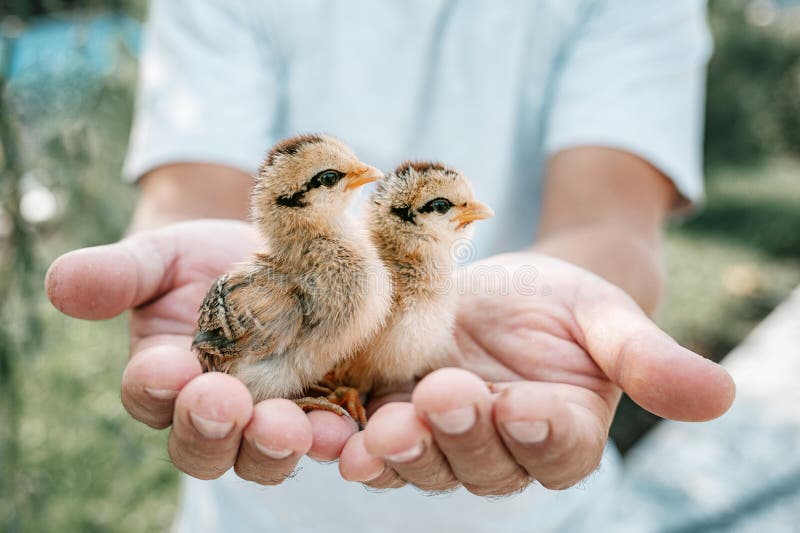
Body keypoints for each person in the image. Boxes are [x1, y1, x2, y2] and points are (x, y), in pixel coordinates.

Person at [45, 1, 736, 531]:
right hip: (254, 513)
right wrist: (188, 259)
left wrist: (558, 296)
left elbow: (606, 222)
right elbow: (189, 199)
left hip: (543, 515)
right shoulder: (294, 283)